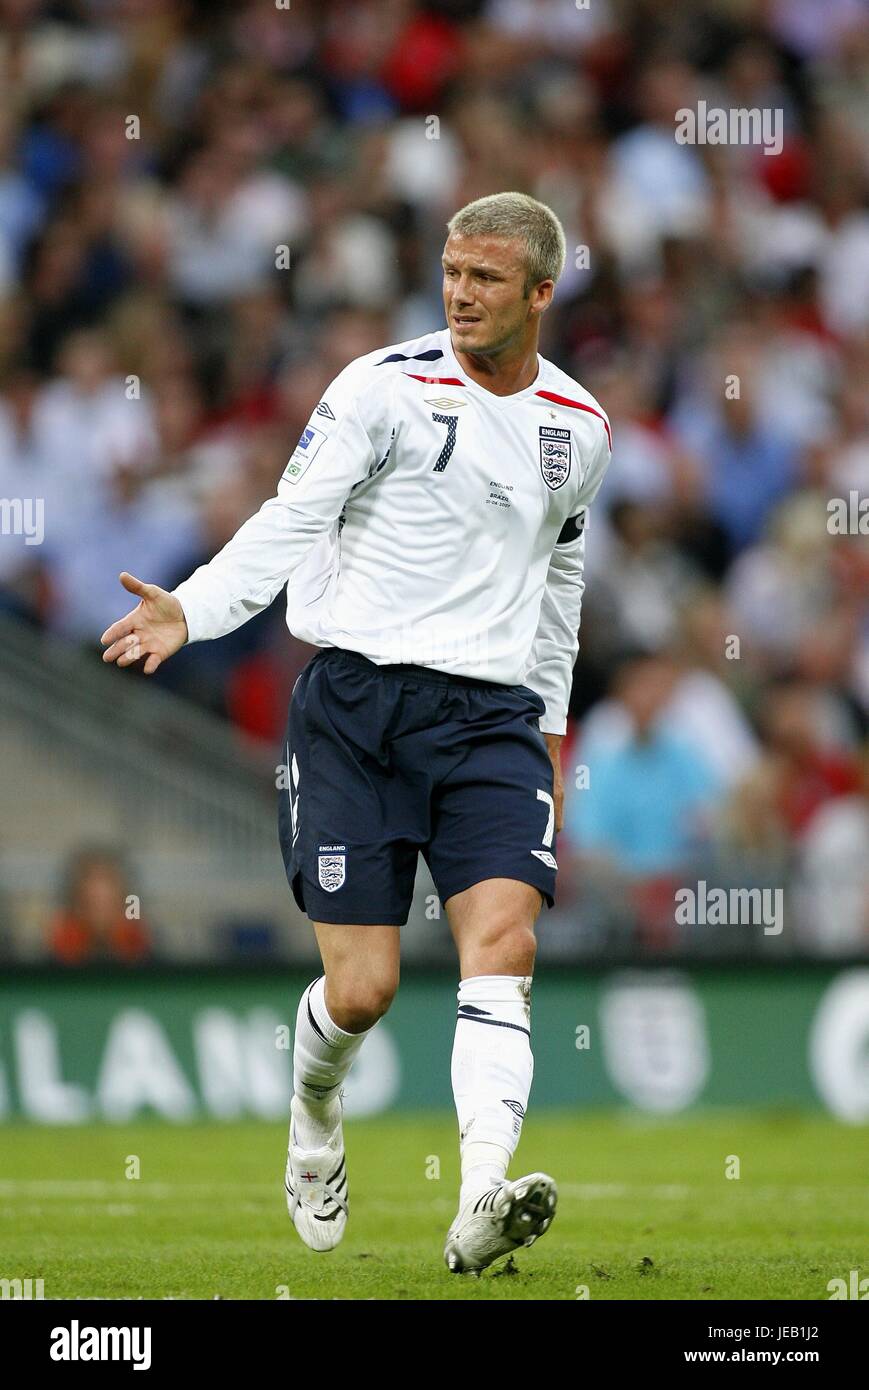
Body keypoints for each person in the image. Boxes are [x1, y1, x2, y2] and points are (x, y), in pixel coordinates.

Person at [100, 191, 612, 1275]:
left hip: (491, 718)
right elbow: (287, 520)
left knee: (502, 950)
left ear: (538, 292)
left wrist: (553, 732)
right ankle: (315, 1110)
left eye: (483, 278)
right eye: (449, 270)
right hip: (355, 712)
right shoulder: (379, 392)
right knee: (364, 988)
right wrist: (188, 609)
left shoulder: (579, 429)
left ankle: (482, 1192)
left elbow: (558, 580)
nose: (459, 293)